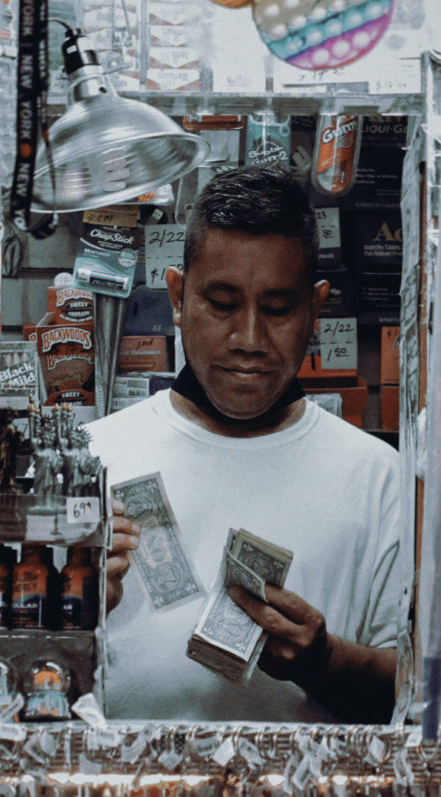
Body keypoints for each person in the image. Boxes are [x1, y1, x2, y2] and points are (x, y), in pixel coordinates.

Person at [87, 165, 403, 724]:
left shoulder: (379, 477)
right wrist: (69, 611)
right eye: (223, 304)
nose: (249, 340)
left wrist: (323, 662)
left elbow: (416, 696)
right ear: (178, 297)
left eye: (278, 309)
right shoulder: (95, 457)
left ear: (315, 309)